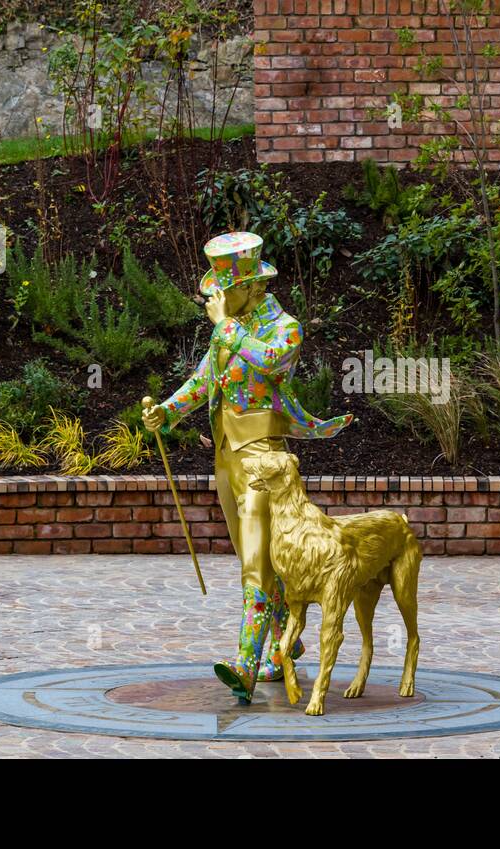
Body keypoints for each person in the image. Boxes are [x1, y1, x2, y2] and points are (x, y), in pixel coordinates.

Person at [142, 232, 353, 703]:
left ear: (253, 286)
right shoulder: (230, 323)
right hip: (226, 455)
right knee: (253, 557)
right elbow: (206, 378)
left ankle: (246, 664)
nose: (214, 299)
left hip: (263, 457)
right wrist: (169, 411)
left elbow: (272, 364)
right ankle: (285, 646)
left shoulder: (283, 328)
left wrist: (225, 328)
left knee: (256, 566)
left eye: (223, 289)